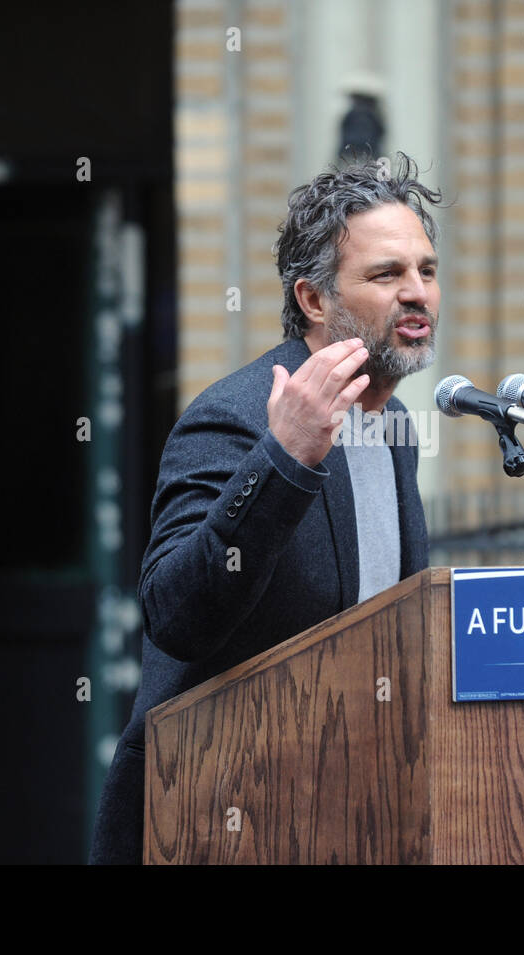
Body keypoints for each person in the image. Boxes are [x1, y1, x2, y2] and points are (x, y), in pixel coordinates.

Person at [89, 153, 444, 864]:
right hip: (209, 810)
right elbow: (175, 613)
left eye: (426, 271)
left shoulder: (394, 425)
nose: (418, 294)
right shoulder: (236, 417)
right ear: (314, 300)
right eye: (386, 274)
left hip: (344, 811)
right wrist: (284, 459)